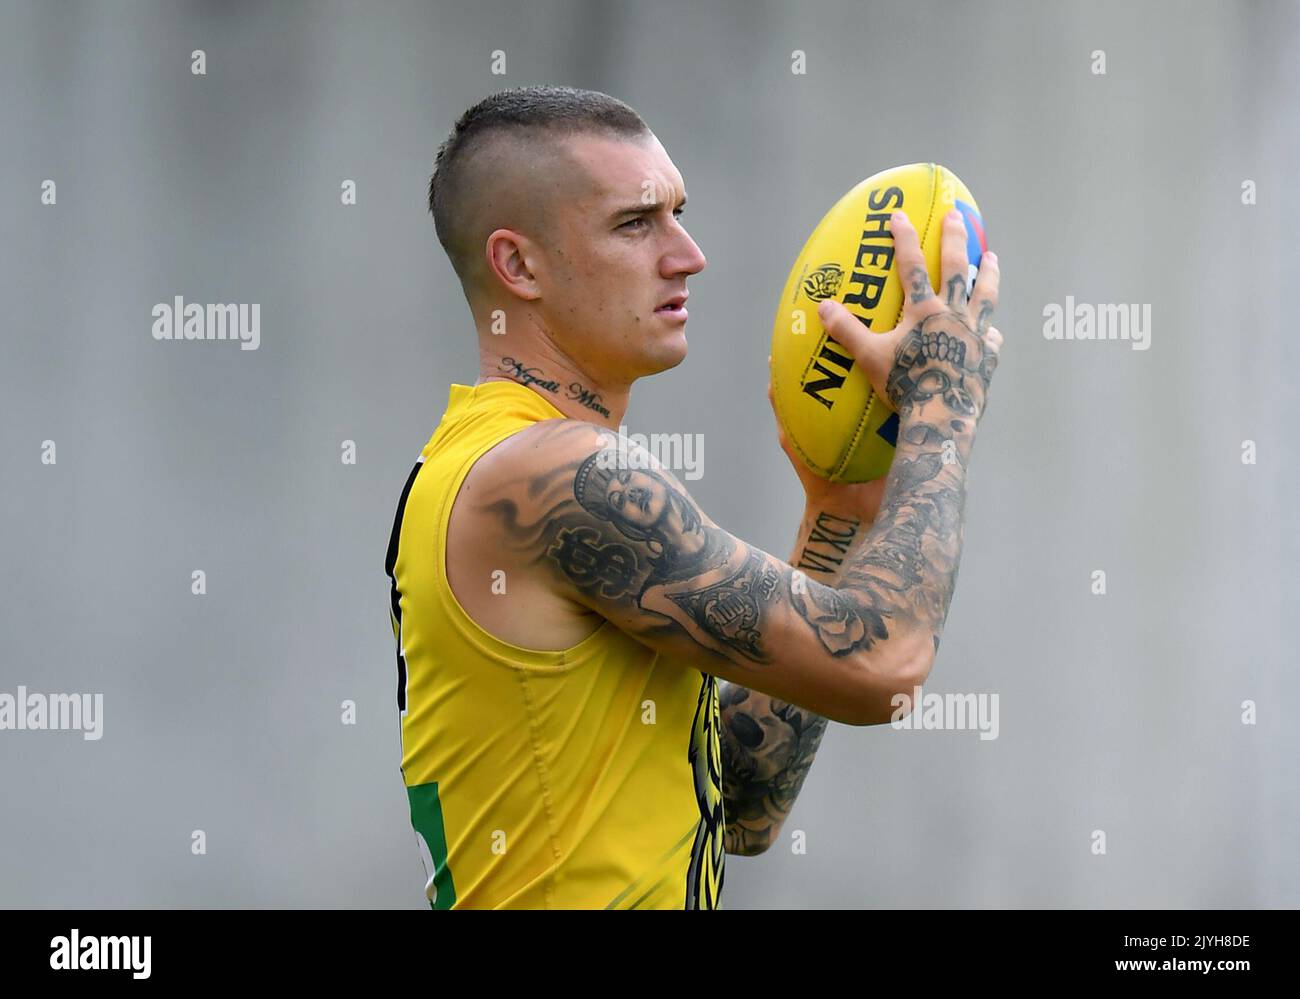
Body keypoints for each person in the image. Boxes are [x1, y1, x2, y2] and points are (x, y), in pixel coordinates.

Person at [384, 85, 1002, 909]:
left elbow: (742, 801)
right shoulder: (551, 477)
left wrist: (839, 515)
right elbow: (883, 663)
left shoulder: (498, 460)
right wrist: (942, 404)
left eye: (678, 213)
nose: (687, 253)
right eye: (636, 223)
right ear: (518, 265)